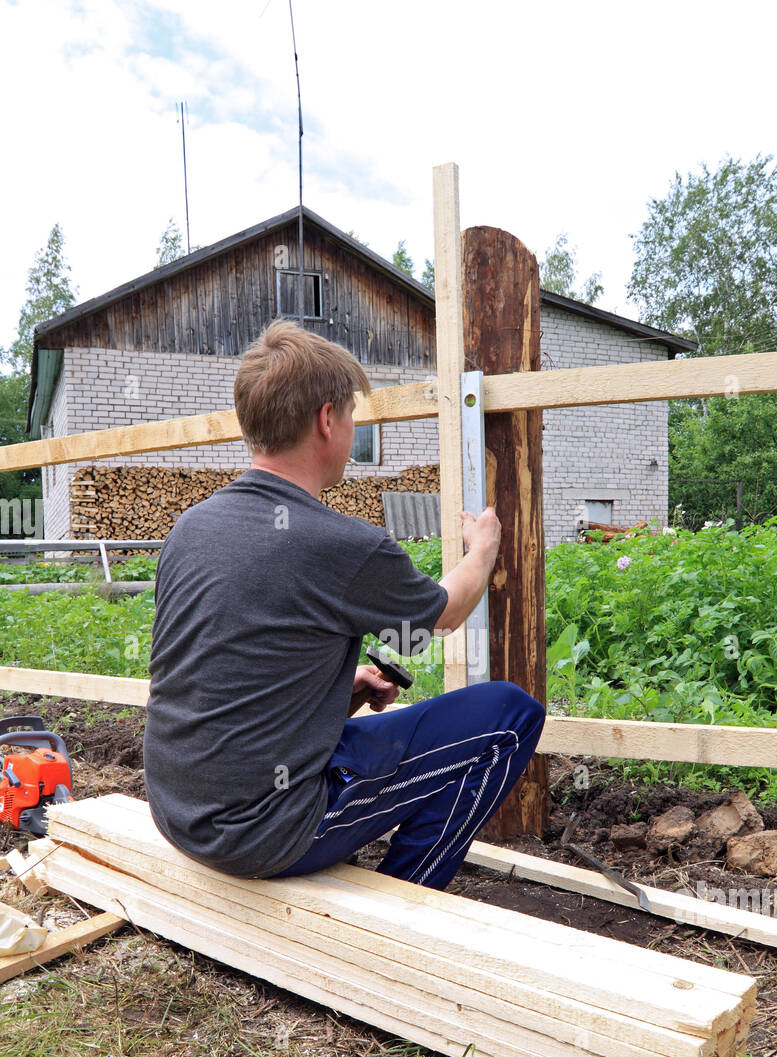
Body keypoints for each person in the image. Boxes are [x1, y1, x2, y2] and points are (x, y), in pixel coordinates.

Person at [143, 320, 545, 890]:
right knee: (509, 715)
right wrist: (482, 548)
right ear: (327, 419)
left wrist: (331, 689)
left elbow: (220, 661)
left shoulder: (191, 528)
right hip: (262, 833)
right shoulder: (342, 544)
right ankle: (406, 900)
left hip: (176, 813)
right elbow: (443, 615)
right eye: (353, 416)